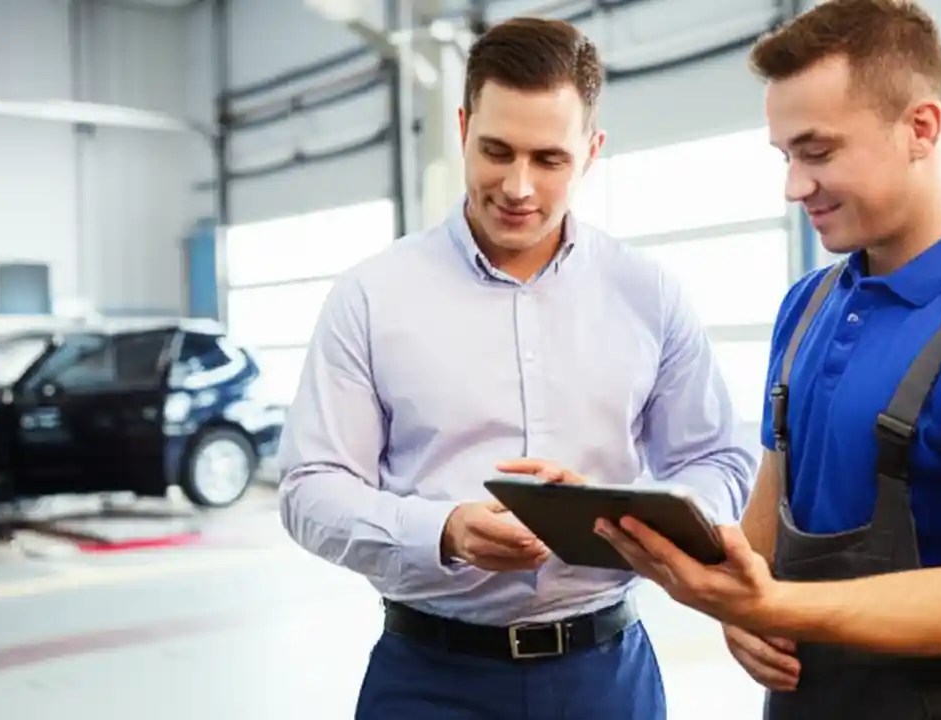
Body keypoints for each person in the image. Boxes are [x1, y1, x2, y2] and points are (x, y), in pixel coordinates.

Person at [526, 1, 941, 718]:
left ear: (922, 128)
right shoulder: (808, 305)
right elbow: (766, 530)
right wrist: (623, 516)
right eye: (786, 156)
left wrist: (775, 605)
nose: (794, 186)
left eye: (818, 152)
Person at [276, 16, 758, 720]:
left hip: (605, 677)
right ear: (463, 128)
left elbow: (719, 461)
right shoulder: (372, 296)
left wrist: (626, 514)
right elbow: (310, 489)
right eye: (496, 151)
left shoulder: (649, 294)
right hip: (429, 679)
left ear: (591, 153)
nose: (518, 186)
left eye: (549, 159)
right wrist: (444, 530)